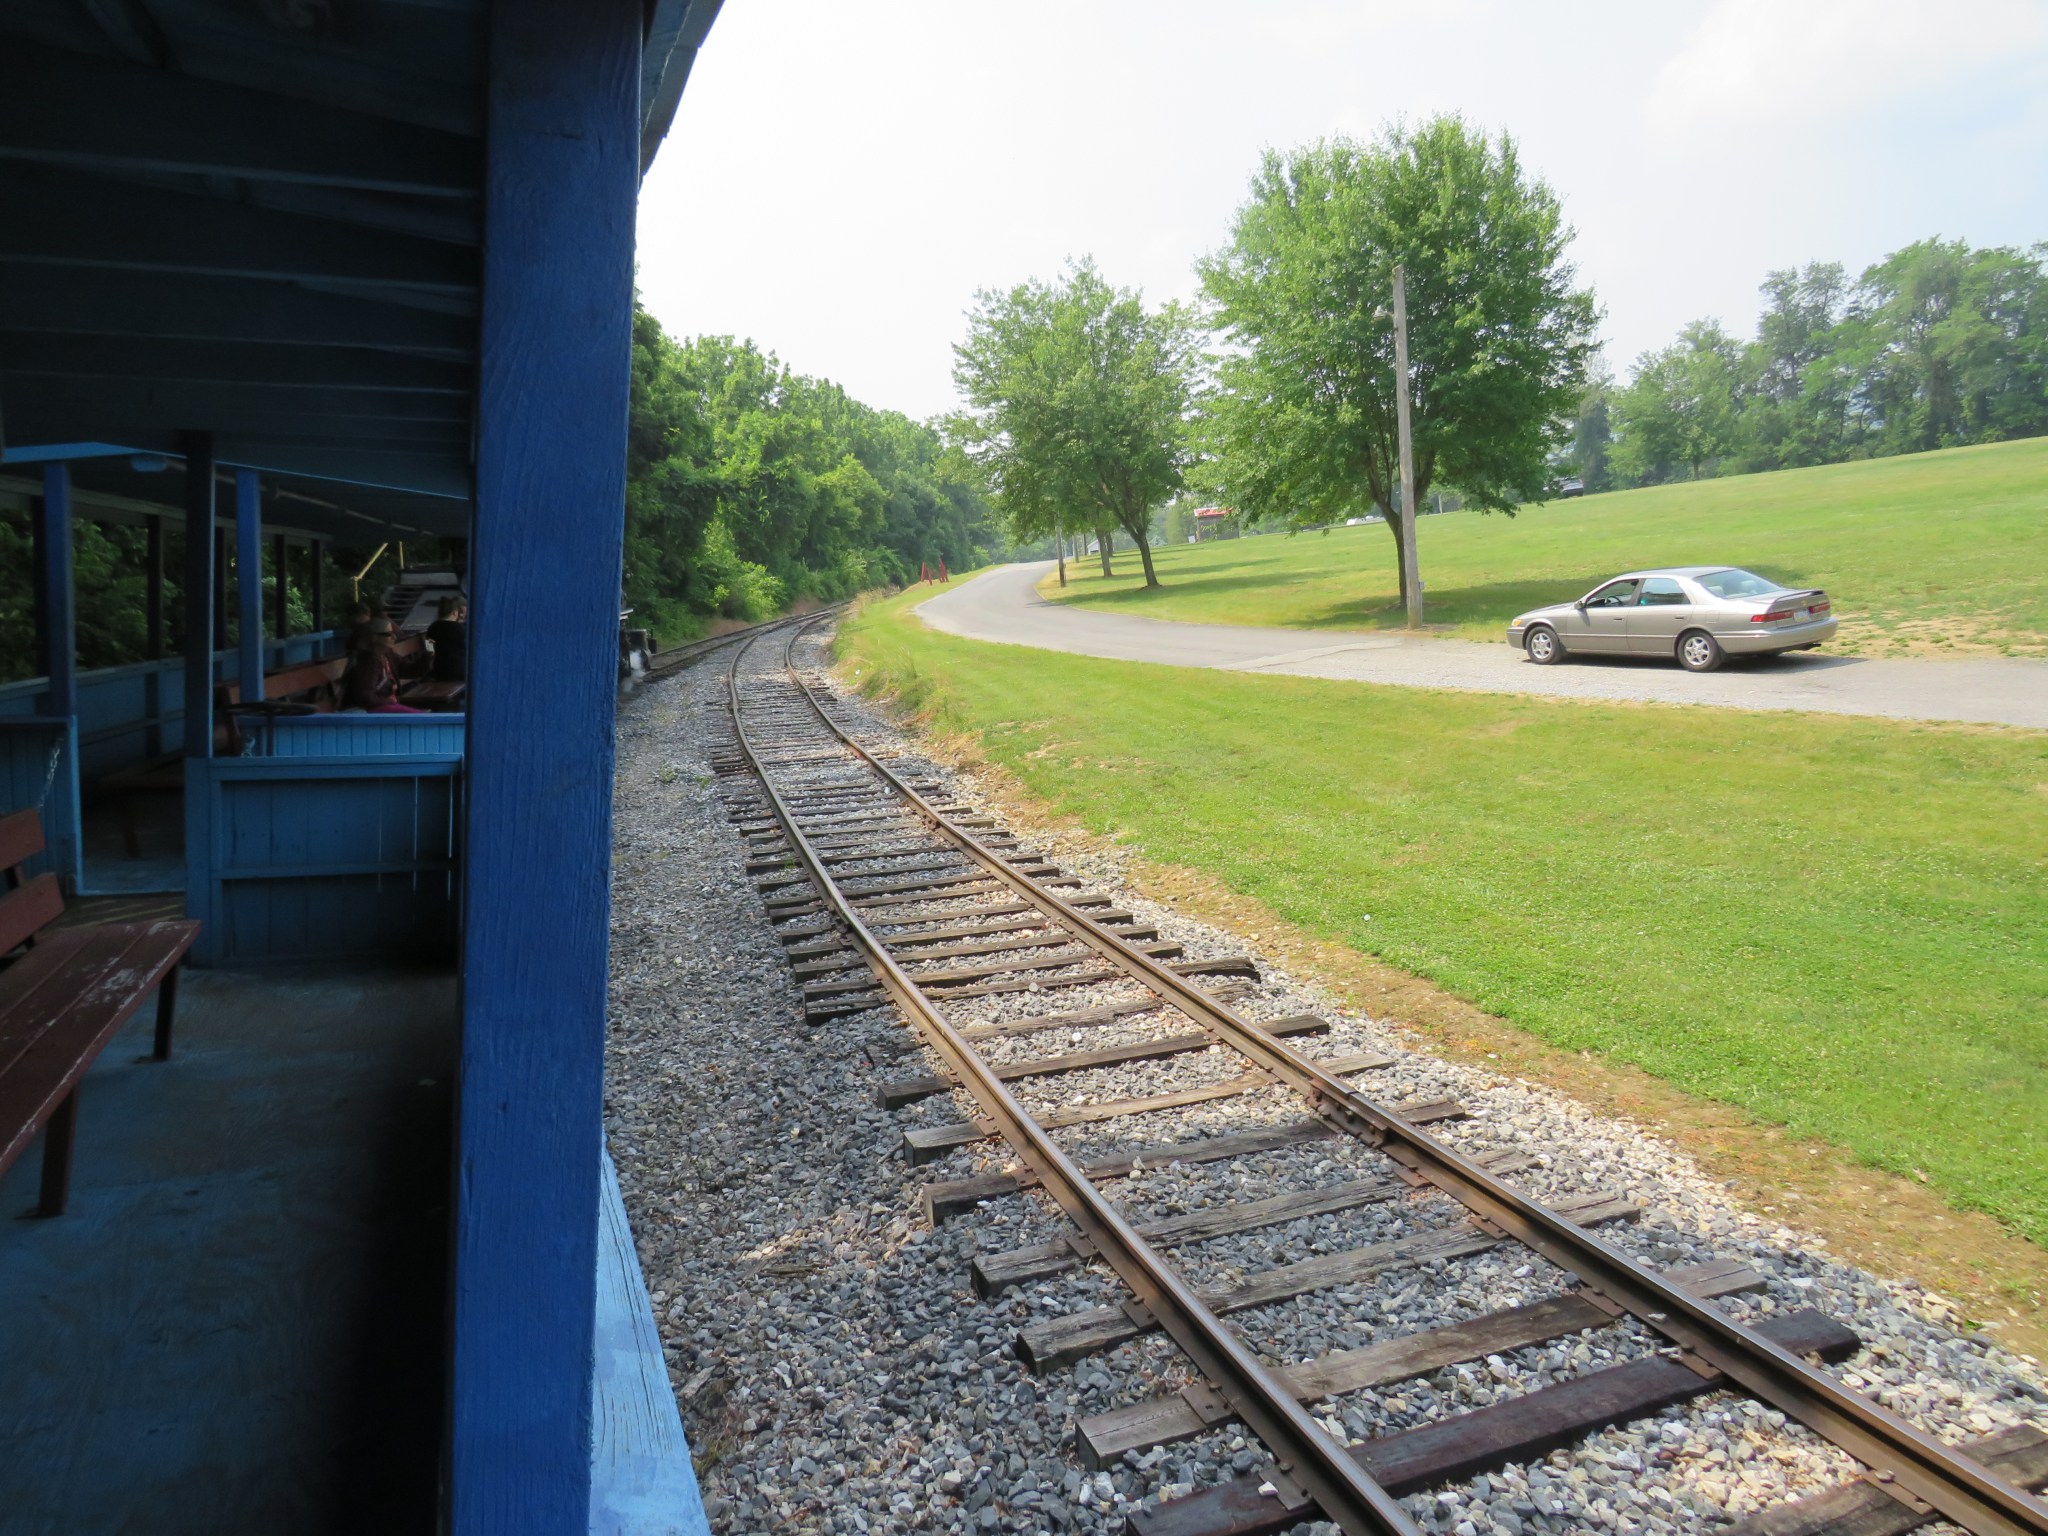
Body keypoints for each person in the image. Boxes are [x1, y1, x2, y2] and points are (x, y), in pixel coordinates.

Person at [340, 619, 423, 713]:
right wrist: (389, 701)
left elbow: (409, 671)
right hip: (369, 710)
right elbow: (365, 696)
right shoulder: (368, 662)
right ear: (374, 637)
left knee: (424, 716)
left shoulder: (387, 655)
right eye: (389, 634)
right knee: (423, 717)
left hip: (383, 706)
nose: (394, 637)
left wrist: (428, 655)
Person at [425, 595, 468, 683]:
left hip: (439, 670)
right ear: (454, 613)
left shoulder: (432, 627)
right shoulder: (459, 628)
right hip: (459, 671)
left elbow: (429, 647)